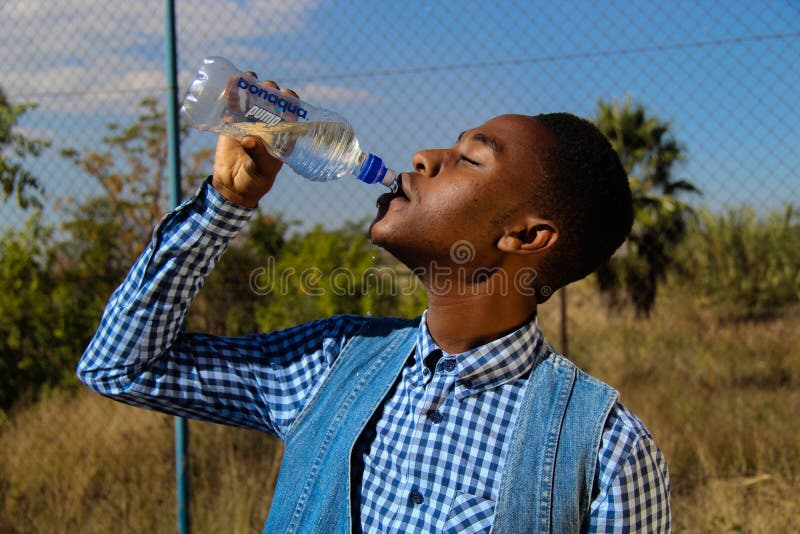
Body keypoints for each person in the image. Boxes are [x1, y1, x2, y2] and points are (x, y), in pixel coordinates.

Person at [78, 78, 671, 533]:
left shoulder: (607, 452)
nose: (424, 157)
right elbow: (120, 366)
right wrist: (225, 204)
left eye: (470, 158)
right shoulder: (334, 361)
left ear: (526, 236)